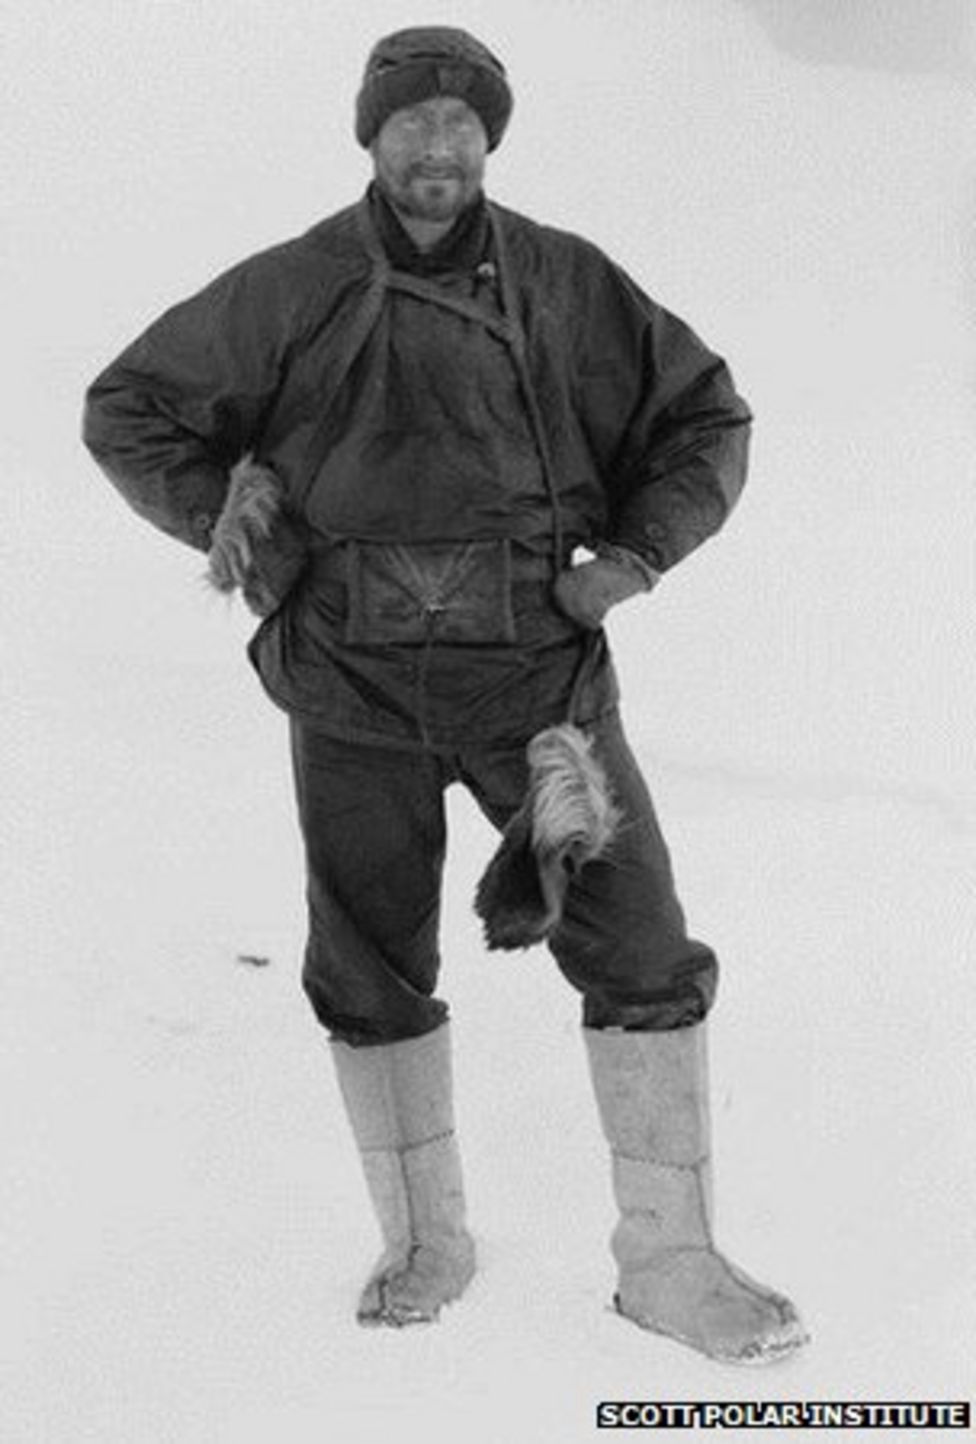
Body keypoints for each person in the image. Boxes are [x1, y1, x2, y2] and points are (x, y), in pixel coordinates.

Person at [82, 26, 807, 1363]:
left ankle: (671, 1257)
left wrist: (631, 562)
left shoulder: (565, 283)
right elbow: (128, 406)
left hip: (537, 693)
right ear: (370, 136)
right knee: (364, 965)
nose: (436, 145)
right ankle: (425, 1235)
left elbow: (708, 418)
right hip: (347, 688)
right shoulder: (294, 284)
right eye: (410, 121)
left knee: (641, 951)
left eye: (462, 122)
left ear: (491, 140)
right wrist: (232, 524)